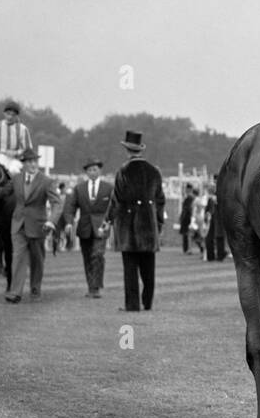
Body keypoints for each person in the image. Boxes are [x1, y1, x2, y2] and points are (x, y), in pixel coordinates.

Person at [0, 148, 59, 303]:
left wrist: (51, 220)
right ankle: (15, 292)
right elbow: (3, 192)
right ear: (23, 164)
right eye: (29, 161)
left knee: (37, 261)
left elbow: (57, 203)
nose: (33, 164)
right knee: (18, 258)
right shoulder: (16, 179)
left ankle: (35, 289)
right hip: (18, 225)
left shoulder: (47, 181)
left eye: (34, 161)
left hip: (38, 226)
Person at [105, 131, 165, 312]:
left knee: (130, 269)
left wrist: (108, 219)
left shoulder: (123, 171)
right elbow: (160, 200)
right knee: (149, 269)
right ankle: (147, 302)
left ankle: (132, 304)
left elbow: (116, 200)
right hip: (148, 225)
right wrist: (159, 222)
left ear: (127, 150)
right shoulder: (154, 172)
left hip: (128, 227)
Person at [56, 159, 113, 298]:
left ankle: (96, 287)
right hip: (84, 227)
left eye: (95, 169)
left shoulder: (108, 188)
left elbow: (113, 206)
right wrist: (69, 222)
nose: (93, 172)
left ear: (100, 171)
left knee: (98, 255)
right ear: (86, 172)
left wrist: (108, 221)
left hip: (102, 226)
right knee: (87, 257)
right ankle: (91, 286)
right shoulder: (79, 188)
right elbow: (70, 206)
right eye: (90, 170)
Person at [0, 102, 33, 174]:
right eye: (8, 114)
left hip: (15, 160)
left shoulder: (22, 129)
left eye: (13, 115)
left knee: (13, 170)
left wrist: (16, 153)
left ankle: (13, 184)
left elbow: (28, 149)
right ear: (4, 113)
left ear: (17, 116)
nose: (10, 117)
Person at [179, 184, 196, 254]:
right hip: (186, 217)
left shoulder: (191, 198)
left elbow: (188, 209)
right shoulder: (188, 198)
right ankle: (186, 249)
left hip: (188, 218)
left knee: (189, 234)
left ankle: (188, 249)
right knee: (186, 234)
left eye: (187, 189)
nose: (186, 190)